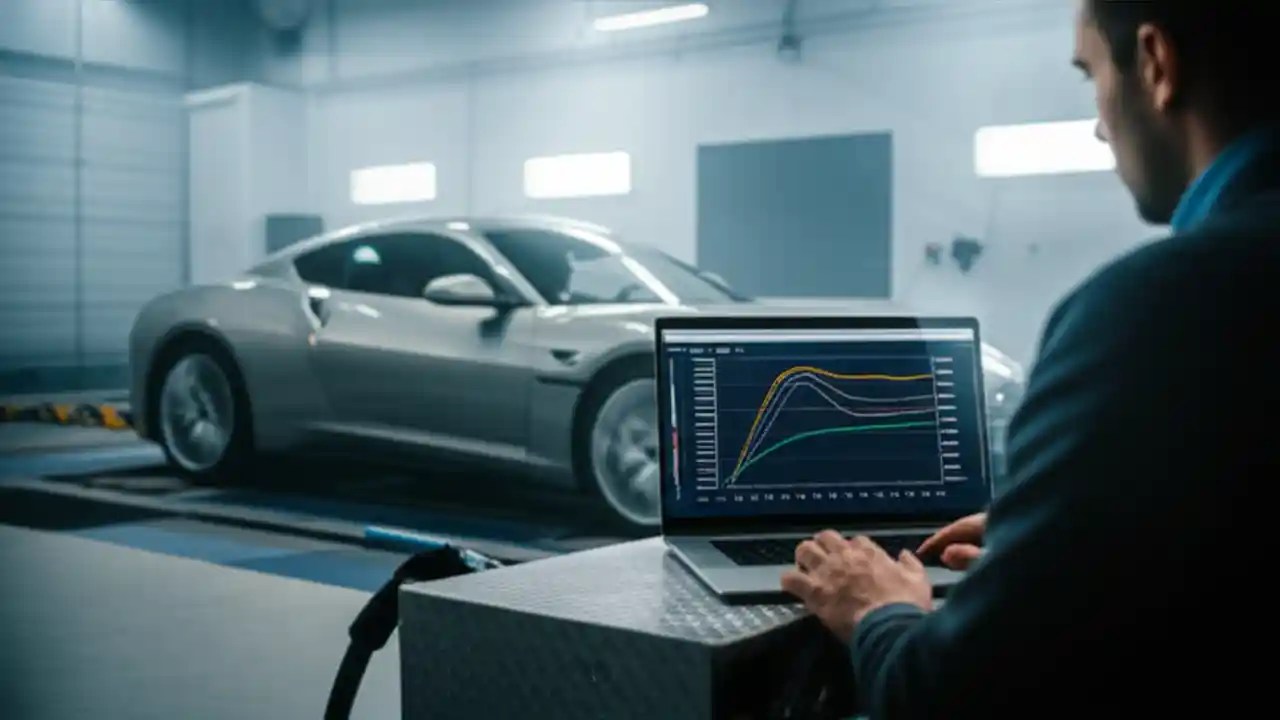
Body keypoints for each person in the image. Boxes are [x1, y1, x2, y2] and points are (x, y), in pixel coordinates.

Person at [780, 1, 1280, 716]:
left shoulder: (1154, 311)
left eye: (1092, 77)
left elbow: (950, 696)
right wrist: (1064, 539)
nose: (1101, 124)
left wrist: (877, 611)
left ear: (1157, 65)